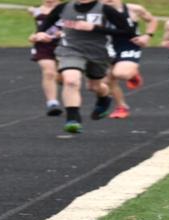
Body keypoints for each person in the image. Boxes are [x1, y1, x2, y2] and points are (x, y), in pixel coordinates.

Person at [34, 0, 122, 134]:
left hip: (98, 51)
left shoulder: (105, 9)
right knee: (70, 80)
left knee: (94, 86)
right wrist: (40, 32)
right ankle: (73, 119)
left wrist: (94, 28)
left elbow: (127, 31)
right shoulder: (64, 7)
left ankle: (104, 97)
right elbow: (47, 22)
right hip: (70, 49)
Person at [104, 1, 155, 119]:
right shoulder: (95, 10)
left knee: (120, 73)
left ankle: (131, 73)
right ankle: (121, 107)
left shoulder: (133, 9)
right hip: (106, 46)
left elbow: (151, 20)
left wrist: (148, 35)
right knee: (107, 80)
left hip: (129, 45)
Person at [28, 0, 63, 116]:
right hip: (43, 45)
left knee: (62, 77)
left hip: (64, 44)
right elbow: (39, 28)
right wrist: (34, 36)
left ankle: (60, 79)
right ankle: (52, 103)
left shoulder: (68, 9)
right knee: (48, 72)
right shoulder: (35, 10)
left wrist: (62, 33)